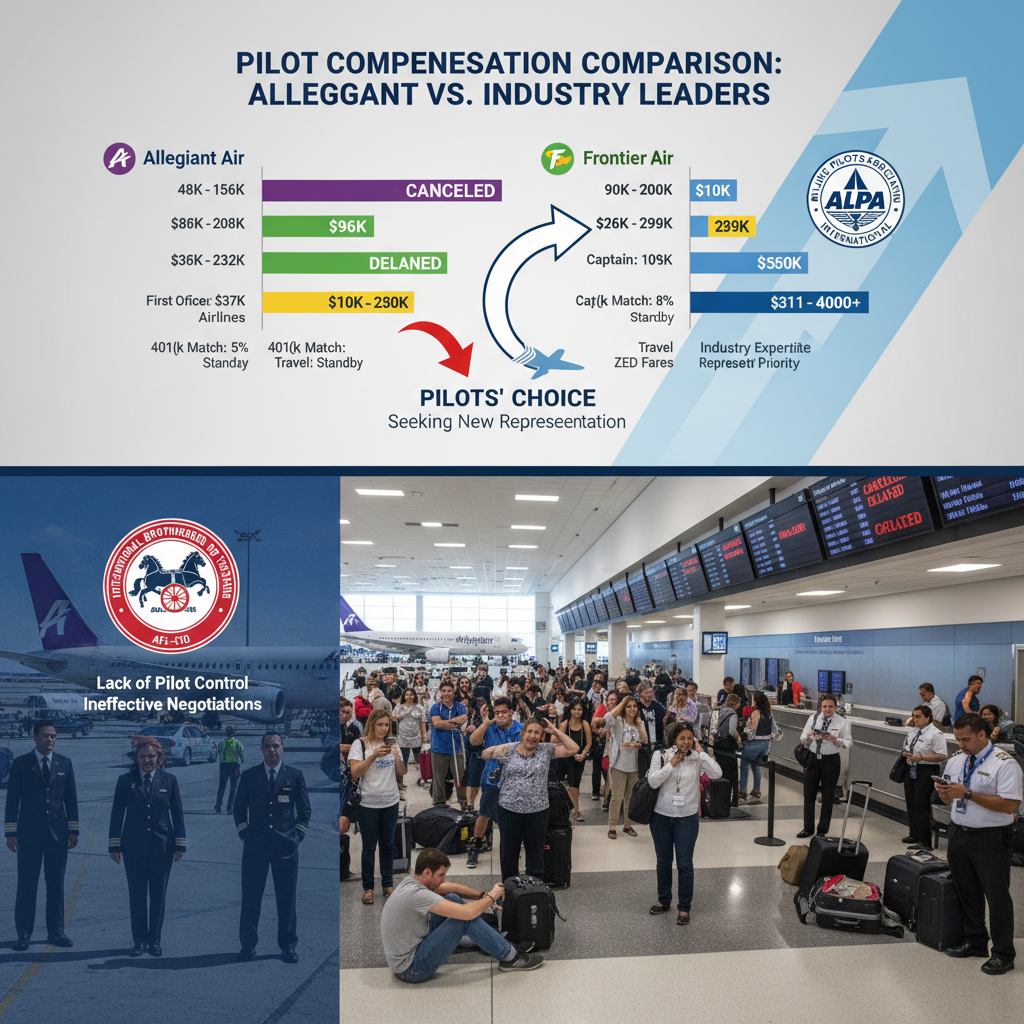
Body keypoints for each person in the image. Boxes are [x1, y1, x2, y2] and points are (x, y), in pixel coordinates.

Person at [934, 712, 1023, 974]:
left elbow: (1009, 805)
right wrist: (945, 794)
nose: (961, 744)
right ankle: (975, 941)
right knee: (967, 891)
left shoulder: (1004, 764)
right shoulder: (956, 761)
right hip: (959, 832)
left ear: (982, 735)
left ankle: (1004, 953)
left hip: (991, 838)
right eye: (958, 739)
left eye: (966, 739)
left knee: (997, 897)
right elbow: (950, 800)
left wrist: (969, 794)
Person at [381, 846, 542, 979]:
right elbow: (466, 913)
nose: (443, 879)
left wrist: (482, 895)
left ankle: (489, 941)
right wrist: (493, 896)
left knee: (452, 898)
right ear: (427, 872)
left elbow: (448, 888)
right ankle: (511, 957)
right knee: (463, 919)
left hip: (411, 949)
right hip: (411, 968)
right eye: (441, 875)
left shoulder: (412, 881)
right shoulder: (417, 895)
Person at [234, 731, 311, 962]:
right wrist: (245, 834)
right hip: (255, 847)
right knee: (250, 898)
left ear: (282, 748)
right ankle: (248, 945)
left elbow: (305, 811)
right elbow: (238, 809)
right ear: (261, 749)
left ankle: (288, 945)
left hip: (286, 847)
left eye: (276, 746)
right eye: (267, 746)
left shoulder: (295, 776)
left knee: (286, 899)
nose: (272, 750)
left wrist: (297, 836)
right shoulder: (249, 776)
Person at [4, 720, 78, 949]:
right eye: (46, 736)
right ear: (35, 737)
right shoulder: (20, 764)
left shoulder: (65, 763)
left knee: (56, 885)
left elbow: (71, 800)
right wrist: (11, 832)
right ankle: (23, 934)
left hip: (57, 835)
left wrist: (73, 829)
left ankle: (56, 932)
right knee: (27, 885)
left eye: (53, 736)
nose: (50, 740)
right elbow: (12, 801)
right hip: (28, 835)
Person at [109, 737, 186, 956]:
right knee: (137, 895)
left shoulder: (169, 780)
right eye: (142, 756)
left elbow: (177, 814)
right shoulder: (125, 781)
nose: (146, 760)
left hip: (163, 846)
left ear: (159, 758)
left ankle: (154, 941)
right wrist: (114, 845)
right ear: (136, 758)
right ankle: (139, 942)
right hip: (133, 847)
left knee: (158, 896)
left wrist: (180, 843)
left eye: (151, 756)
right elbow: (116, 814)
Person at [481, 716, 578, 882]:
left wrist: (554, 731)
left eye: (537, 733)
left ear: (541, 736)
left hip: (537, 811)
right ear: (523, 733)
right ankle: (510, 889)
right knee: (509, 852)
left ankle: (535, 890)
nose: (533, 736)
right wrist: (503, 747)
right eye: (530, 732)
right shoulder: (509, 750)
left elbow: (573, 748)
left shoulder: (546, 750)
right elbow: (484, 754)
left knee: (535, 853)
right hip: (509, 810)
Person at [646, 722, 722, 924]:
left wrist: (701, 752)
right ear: (673, 739)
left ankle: (684, 908)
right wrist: (672, 763)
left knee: (685, 863)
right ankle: (664, 900)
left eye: (690, 738)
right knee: (663, 861)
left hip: (687, 818)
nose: (686, 742)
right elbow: (653, 781)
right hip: (661, 816)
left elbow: (717, 774)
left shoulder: (697, 758)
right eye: (682, 738)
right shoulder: (660, 755)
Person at [349, 709, 405, 905]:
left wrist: (398, 755)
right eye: (380, 724)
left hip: (390, 800)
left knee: (388, 845)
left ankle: (388, 884)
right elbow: (355, 772)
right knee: (369, 847)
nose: (383, 729)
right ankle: (368, 887)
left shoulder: (392, 744)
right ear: (372, 724)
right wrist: (372, 756)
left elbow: (402, 772)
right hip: (368, 803)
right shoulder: (360, 744)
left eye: (387, 725)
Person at [466, 697, 522, 869]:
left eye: (504, 712)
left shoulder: (522, 729)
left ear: (512, 712)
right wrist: (485, 723)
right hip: (491, 780)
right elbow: (473, 742)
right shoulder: (489, 728)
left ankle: (513, 847)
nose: (500, 715)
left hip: (515, 780)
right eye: (497, 712)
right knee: (484, 813)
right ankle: (475, 845)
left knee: (514, 816)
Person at [796, 695, 852, 838]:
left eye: (830, 707)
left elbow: (848, 743)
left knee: (827, 796)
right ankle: (808, 828)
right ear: (821, 707)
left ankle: (822, 830)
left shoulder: (843, 722)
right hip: (813, 759)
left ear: (835, 707)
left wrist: (835, 739)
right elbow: (802, 739)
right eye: (825, 707)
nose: (827, 710)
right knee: (809, 794)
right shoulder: (813, 719)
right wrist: (809, 736)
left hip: (831, 761)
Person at [900, 705, 947, 851]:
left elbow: (941, 755)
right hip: (911, 769)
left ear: (927, 718)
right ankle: (914, 834)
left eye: (918, 716)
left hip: (926, 770)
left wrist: (920, 757)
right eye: (913, 716)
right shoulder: (913, 732)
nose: (914, 719)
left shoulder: (935, 734)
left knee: (921, 805)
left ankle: (925, 842)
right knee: (911, 803)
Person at [606, 694, 648, 839]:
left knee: (630, 797)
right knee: (617, 797)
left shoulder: (638, 722)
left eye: (634, 706)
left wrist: (639, 735)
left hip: (634, 766)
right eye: (628, 706)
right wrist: (622, 702)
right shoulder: (618, 721)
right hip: (618, 764)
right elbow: (607, 719)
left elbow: (645, 740)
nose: (632, 709)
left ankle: (627, 825)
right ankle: (612, 826)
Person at [429, 681, 469, 810]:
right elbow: (436, 724)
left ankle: (464, 805)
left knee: (461, 779)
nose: (446, 694)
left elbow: (463, 718)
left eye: (449, 691)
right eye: (444, 691)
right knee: (438, 779)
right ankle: (439, 805)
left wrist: (444, 722)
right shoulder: (435, 707)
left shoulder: (460, 706)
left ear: (454, 692)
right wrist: (453, 724)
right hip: (438, 748)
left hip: (457, 749)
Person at [559, 699, 593, 822]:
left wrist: (583, 755)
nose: (577, 712)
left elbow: (588, 743)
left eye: (579, 709)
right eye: (575, 709)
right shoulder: (565, 724)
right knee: (571, 780)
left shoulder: (585, 724)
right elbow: (557, 741)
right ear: (571, 710)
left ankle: (574, 809)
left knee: (576, 782)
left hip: (579, 758)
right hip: (566, 757)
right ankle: (575, 810)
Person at [740, 691, 775, 803]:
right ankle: (756, 789)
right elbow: (775, 729)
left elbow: (752, 730)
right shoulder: (769, 713)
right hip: (765, 744)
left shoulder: (756, 713)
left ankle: (742, 791)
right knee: (756, 765)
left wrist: (743, 737)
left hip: (754, 743)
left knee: (745, 765)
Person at [393, 687, 428, 787]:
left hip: (416, 737)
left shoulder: (419, 708)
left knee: (420, 760)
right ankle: (400, 782)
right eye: (407, 694)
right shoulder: (399, 707)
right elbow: (393, 718)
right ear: (404, 696)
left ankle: (423, 779)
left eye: (411, 694)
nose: (409, 697)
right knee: (402, 760)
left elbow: (423, 723)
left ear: (414, 696)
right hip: (403, 737)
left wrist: (424, 736)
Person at [713, 694, 744, 805]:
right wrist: (738, 738)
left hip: (718, 744)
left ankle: (720, 798)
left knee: (721, 772)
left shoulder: (720, 710)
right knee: (731, 773)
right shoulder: (732, 714)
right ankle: (731, 799)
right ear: (735, 703)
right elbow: (732, 730)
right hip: (728, 746)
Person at [214, 724, 244, 813]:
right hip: (233, 765)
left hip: (223, 765)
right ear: (233, 732)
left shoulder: (222, 742)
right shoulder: (237, 743)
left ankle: (218, 806)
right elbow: (241, 755)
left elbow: (219, 752)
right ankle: (229, 808)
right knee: (233, 788)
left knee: (221, 787)